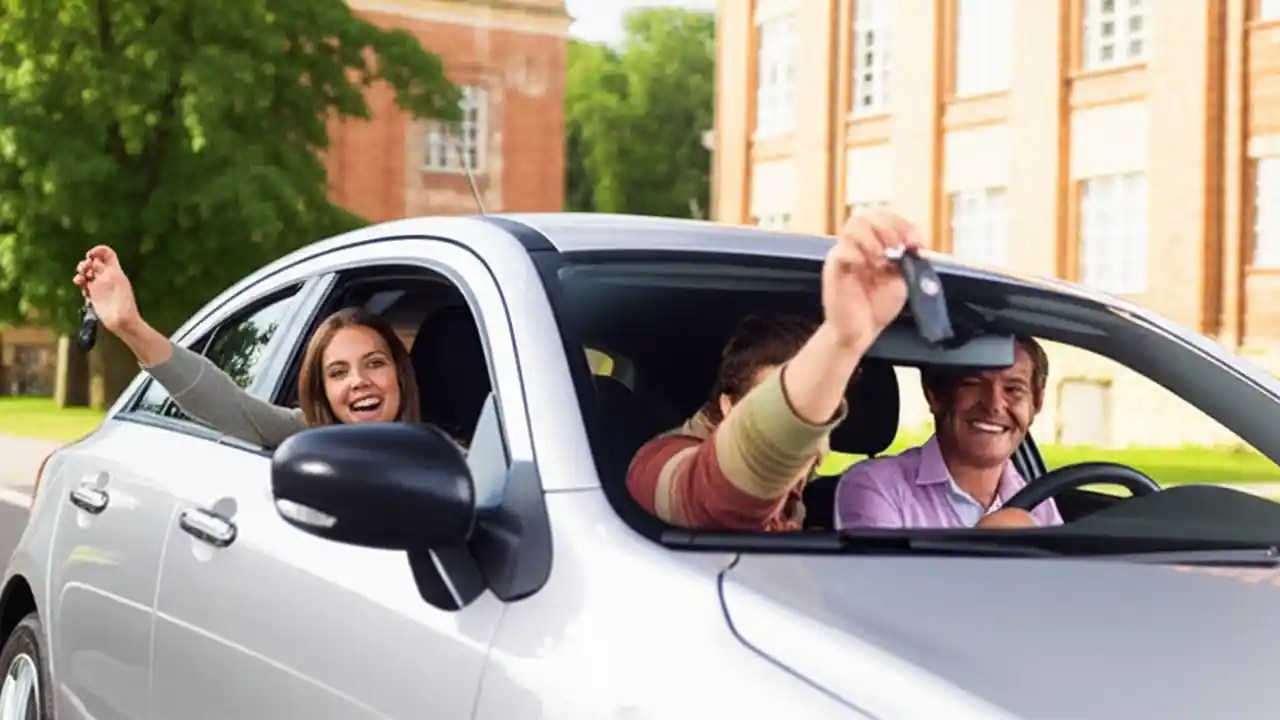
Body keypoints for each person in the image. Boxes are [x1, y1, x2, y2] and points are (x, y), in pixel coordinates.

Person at [625, 210, 921, 532]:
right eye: (775, 403)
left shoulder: (810, 503)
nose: (804, 440)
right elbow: (715, 495)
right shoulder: (655, 468)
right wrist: (841, 341)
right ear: (728, 405)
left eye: (820, 414)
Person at [73, 245, 421, 449]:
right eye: (338, 372)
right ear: (323, 392)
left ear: (400, 374)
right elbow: (224, 401)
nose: (358, 380)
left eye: (375, 363)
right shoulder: (307, 438)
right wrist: (130, 326)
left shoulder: (459, 460)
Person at [833, 335, 1064, 530]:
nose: (994, 404)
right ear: (935, 395)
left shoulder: (1039, 500)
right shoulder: (877, 485)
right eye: (972, 383)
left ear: (1038, 402)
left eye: (1014, 389)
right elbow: (881, 583)